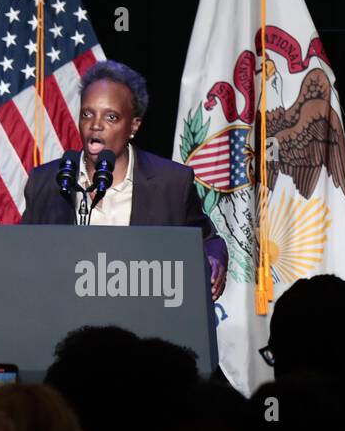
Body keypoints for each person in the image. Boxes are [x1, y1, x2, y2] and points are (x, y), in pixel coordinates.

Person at [19, 60, 227, 300]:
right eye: (87, 114)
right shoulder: (47, 182)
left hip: (144, 323)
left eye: (111, 117)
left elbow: (209, 241)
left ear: (133, 126)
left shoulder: (171, 183)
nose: (95, 125)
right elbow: (24, 252)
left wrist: (214, 260)